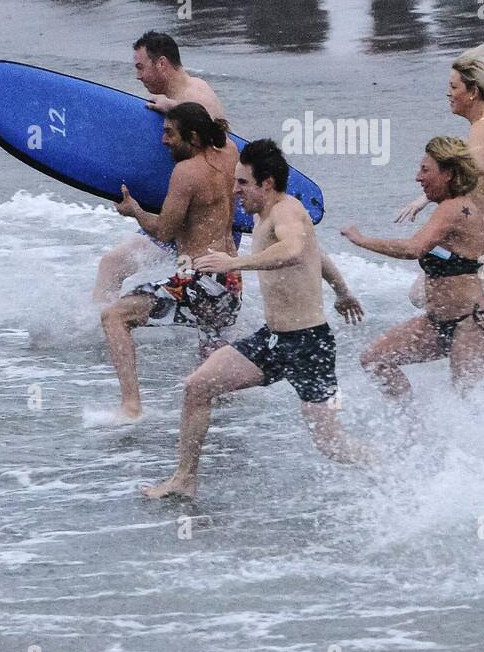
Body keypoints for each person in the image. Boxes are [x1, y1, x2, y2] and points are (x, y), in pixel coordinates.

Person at [141, 139, 369, 500]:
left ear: (267, 183)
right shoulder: (268, 216)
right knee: (197, 387)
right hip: (274, 338)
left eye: (243, 183)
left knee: (330, 444)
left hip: (308, 344)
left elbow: (294, 250)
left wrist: (233, 263)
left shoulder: (287, 213)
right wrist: (343, 291)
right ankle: (185, 479)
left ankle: (389, 468)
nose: (235, 190)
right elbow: (315, 252)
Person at [100, 103, 241, 422]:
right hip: (230, 280)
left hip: (199, 278)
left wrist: (134, 210)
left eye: (169, 133)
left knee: (114, 317)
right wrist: (175, 108)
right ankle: (227, 431)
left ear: (192, 136)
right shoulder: (230, 151)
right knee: (210, 380)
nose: (163, 140)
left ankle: (131, 407)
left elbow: (165, 230)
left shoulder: (186, 173)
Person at [347, 137, 484, 397]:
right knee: (375, 359)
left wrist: (361, 240)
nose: (418, 178)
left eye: (425, 170)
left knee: (472, 409)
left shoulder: (454, 208)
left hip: (471, 325)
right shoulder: (461, 208)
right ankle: (412, 428)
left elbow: (413, 249)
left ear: (449, 174)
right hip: (436, 324)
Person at [93, 31, 228, 300]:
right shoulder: (184, 93)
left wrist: (174, 107)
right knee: (114, 265)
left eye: (141, 67)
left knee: (112, 265)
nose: (138, 75)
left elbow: (216, 133)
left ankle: (106, 325)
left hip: (201, 222)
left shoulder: (194, 93)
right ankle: (110, 322)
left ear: (162, 64)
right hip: (185, 215)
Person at [396, 44, 484, 284]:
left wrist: (424, 199)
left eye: (454, 86)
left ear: (473, 92)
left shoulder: (483, 127)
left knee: (427, 296)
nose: (448, 93)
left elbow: (470, 171)